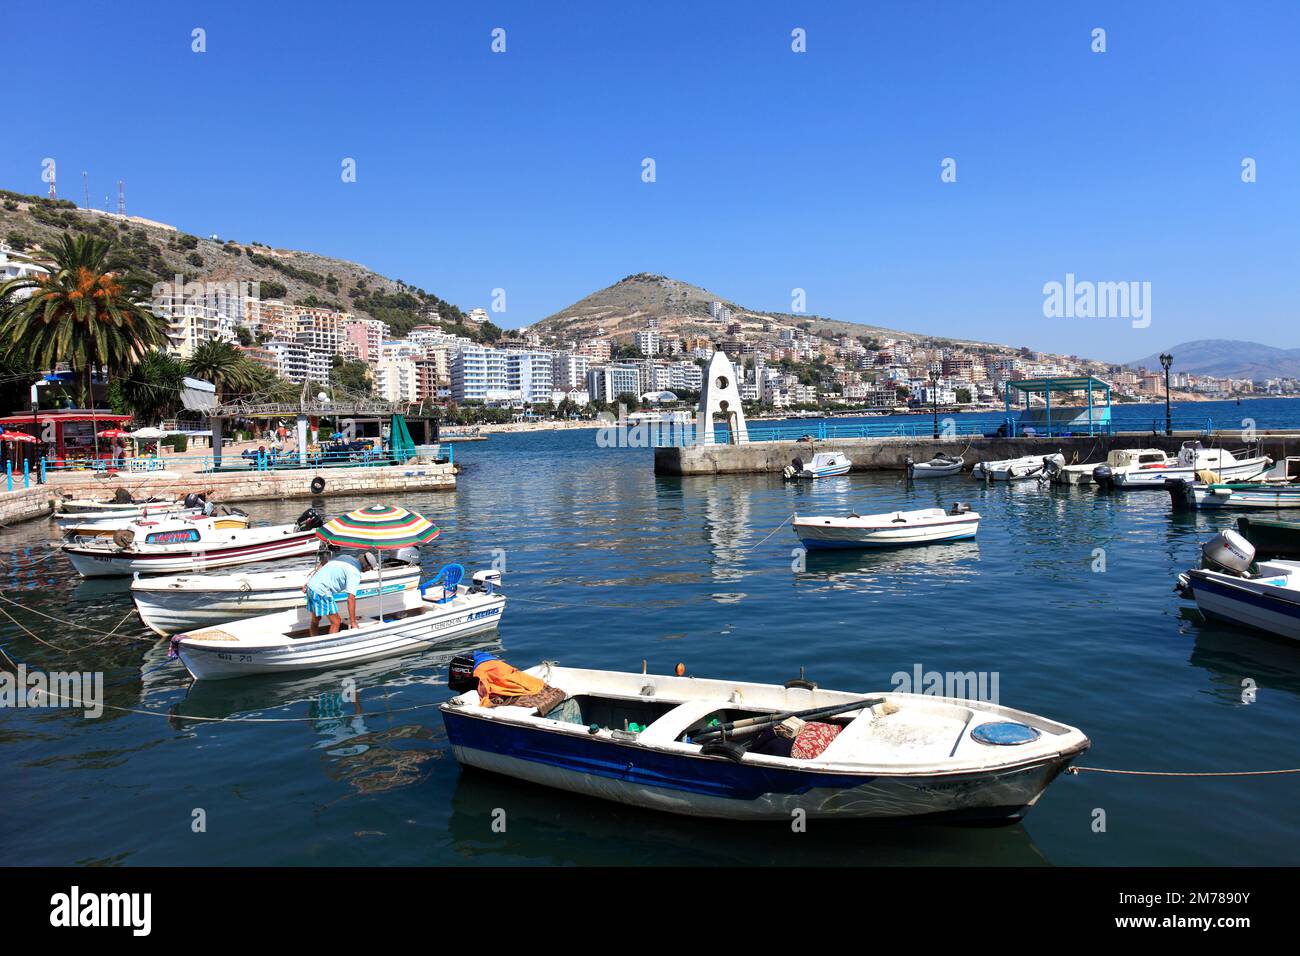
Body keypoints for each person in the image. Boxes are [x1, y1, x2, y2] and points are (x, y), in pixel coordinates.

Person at [304, 551, 376, 635]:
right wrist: (353, 622)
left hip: (311, 586)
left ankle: (314, 640)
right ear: (366, 566)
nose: (368, 570)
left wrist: (310, 580)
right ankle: (331, 646)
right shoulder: (355, 573)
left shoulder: (346, 557)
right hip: (321, 591)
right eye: (370, 569)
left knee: (316, 619)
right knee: (336, 621)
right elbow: (351, 598)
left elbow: (325, 563)